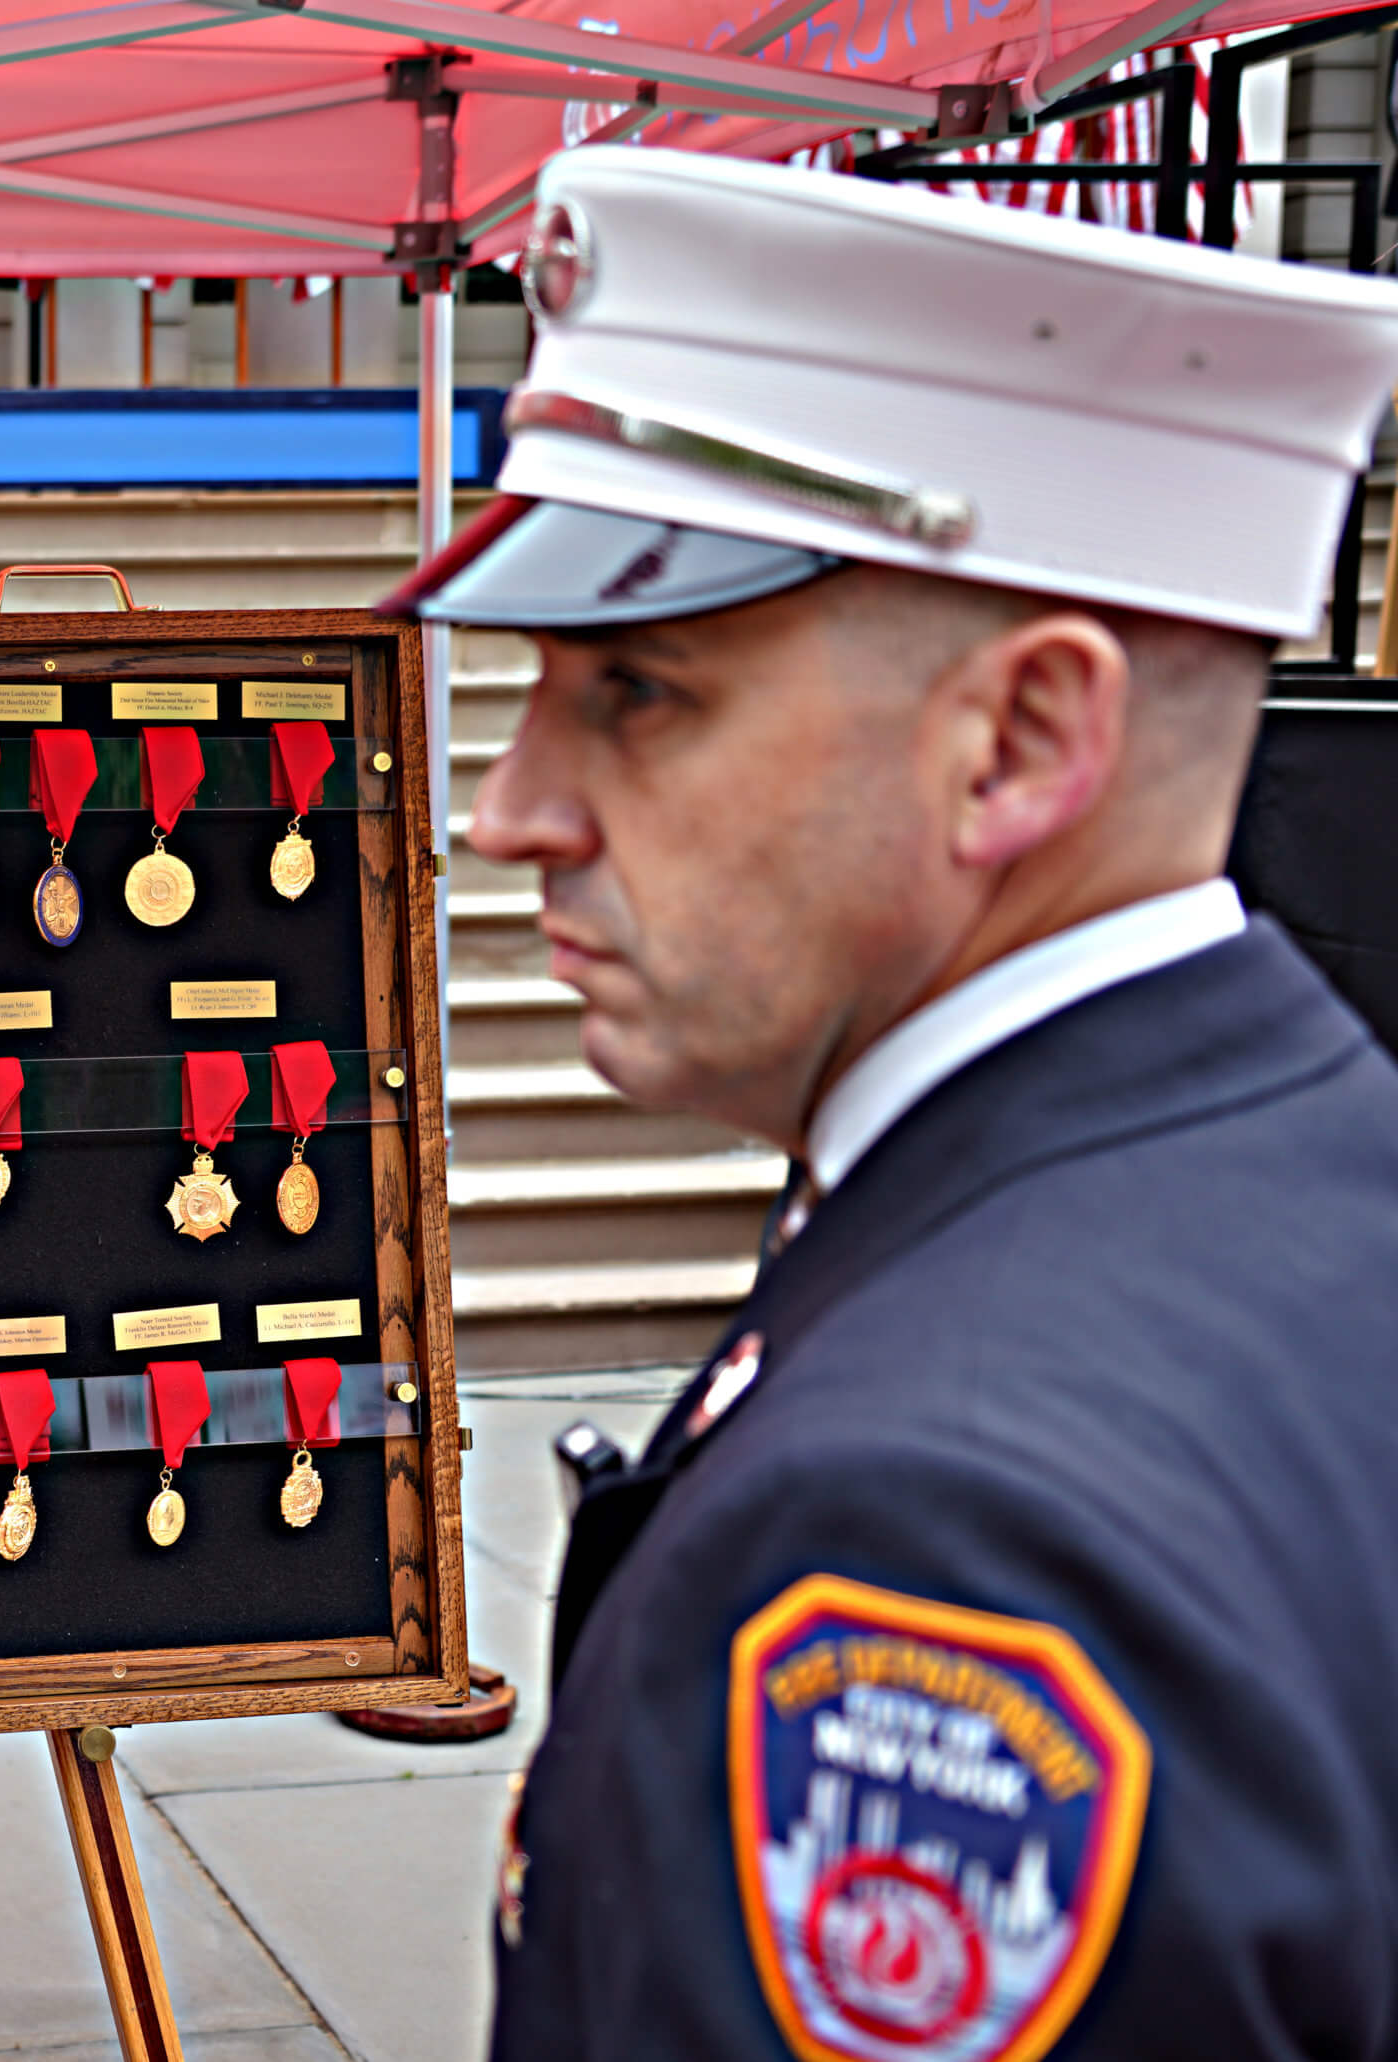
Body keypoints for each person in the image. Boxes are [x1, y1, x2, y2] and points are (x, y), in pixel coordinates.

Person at [384, 147, 1398, 2059]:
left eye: (639, 693)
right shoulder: (1322, 1172)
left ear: (1018, 743)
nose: (511, 807)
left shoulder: (924, 1542)